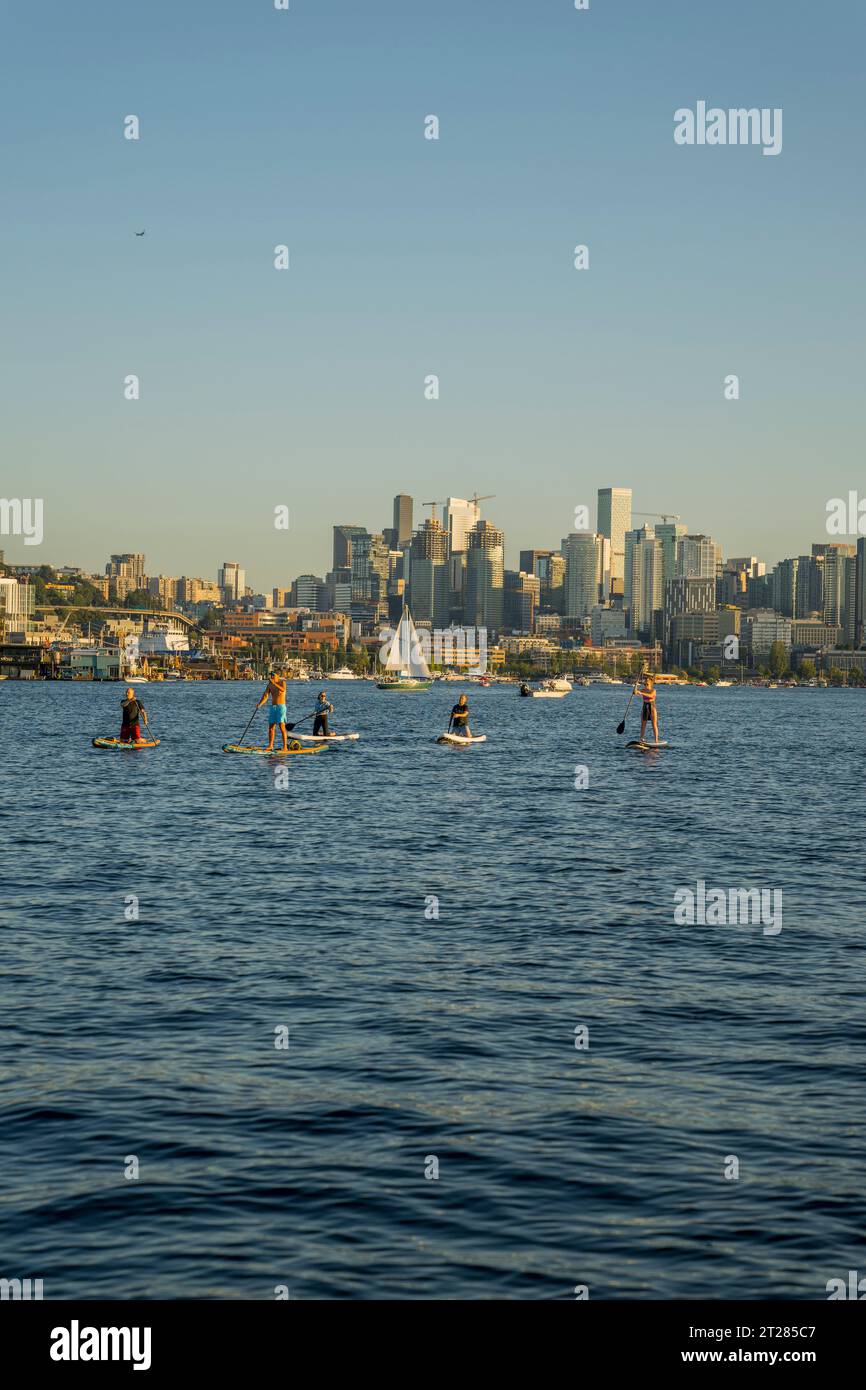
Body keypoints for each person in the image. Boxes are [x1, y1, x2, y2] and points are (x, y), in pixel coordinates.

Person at [258, 671, 289, 752]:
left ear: (277, 676)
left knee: (282, 727)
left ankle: (285, 746)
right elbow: (265, 696)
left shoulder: (282, 682)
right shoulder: (269, 685)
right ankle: (270, 745)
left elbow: (283, 690)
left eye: (273, 675)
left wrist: (275, 684)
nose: (271, 677)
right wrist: (260, 704)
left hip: (281, 707)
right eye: (271, 675)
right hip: (273, 707)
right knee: (271, 728)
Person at [636, 672, 660, 744]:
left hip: (652, 707)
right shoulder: (642, 690)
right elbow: (635, 693)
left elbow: (651, 696)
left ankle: (656, 740)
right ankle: (641, 739)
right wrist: (636, 687)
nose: (646, 685)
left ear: (650, 684)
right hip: (645, 707)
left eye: (647, 684)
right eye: (645, 684)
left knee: (654, 724)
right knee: (643, 724)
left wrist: (641, 693)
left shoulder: (653, 690)